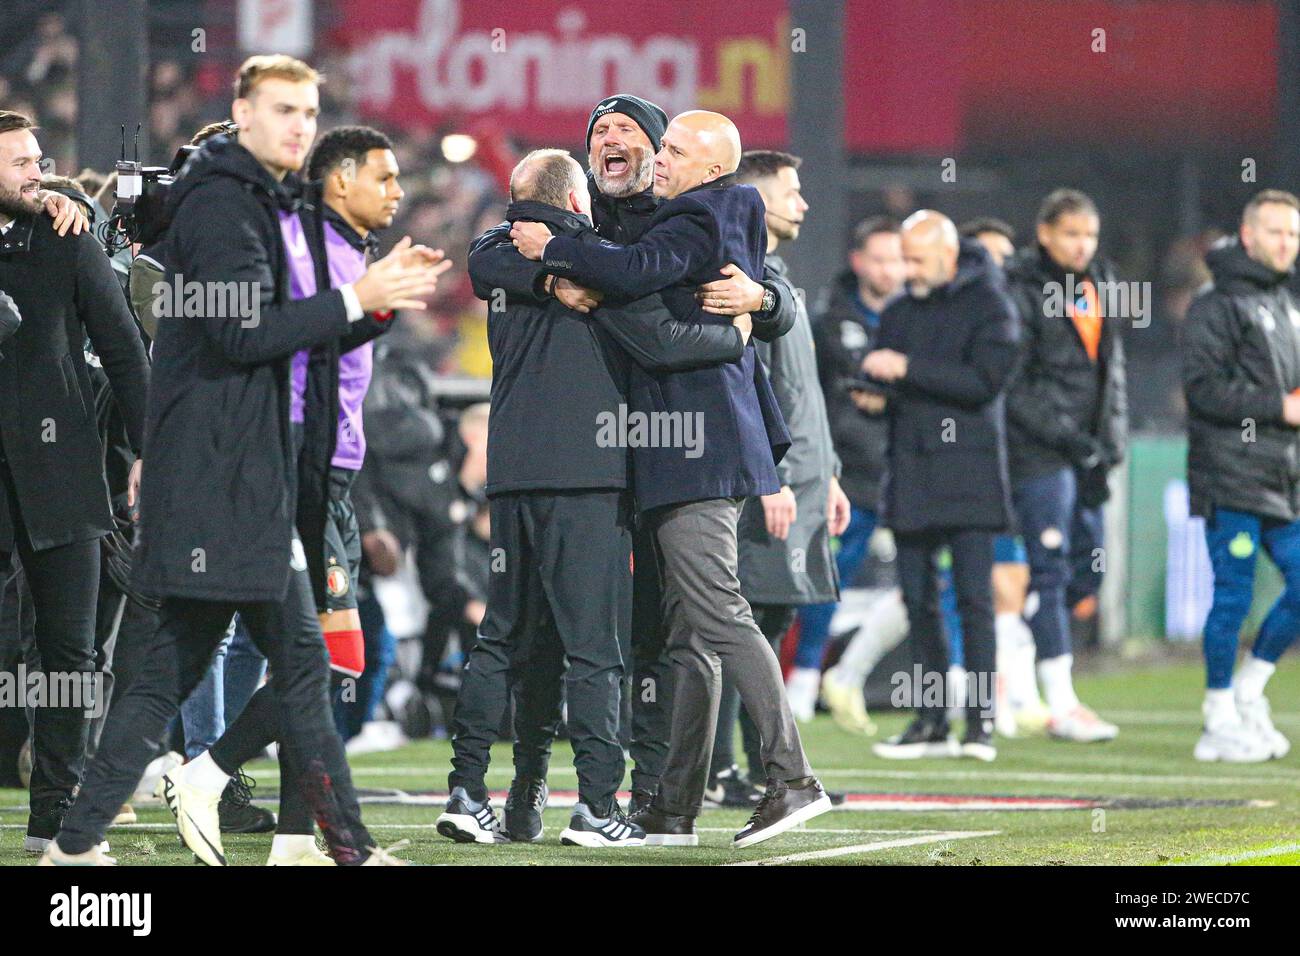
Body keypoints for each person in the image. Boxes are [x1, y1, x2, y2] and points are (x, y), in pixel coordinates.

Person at [44, 54, 440, 867]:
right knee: (289, 667)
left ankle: (78, 843)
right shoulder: (226, 201)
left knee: (203, 673)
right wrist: (355, 302)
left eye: (308, 110)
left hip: (236, 467)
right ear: (243, 113)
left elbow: (284, 333)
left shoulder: (257, 197)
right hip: (226, 472)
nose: (300, 124)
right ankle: (338, 848)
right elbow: (242, 334)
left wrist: (369, 309)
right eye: (283, 109)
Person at [511, 110, 831, 849]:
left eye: (677, 149)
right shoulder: (704, 210)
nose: (661, 158)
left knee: (717, 613)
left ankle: (790, 777)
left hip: (697, 445)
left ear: (714, 166)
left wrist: (560, 247)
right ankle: (673, 809)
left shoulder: (702, 208)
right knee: (690, 636)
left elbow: (636, 273)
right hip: (687, 445)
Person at [442, 148, 749, 847]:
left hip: (512, 474)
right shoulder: (600, 260)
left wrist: (543, 273)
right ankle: (595, 808)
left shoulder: (503, 251)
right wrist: (732, 335)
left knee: (500, 639)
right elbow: (664, 343)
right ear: (578, 203)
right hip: (588, 474)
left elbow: (484, 257)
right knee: (596, 651)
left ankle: (466, 791)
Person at [158, 124, 440, 865]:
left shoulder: (348, 253)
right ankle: (209, 773)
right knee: (328, 659)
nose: (396, 192)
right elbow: (278, 340)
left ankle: (292, 840)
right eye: (382, 177)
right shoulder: (305, 247)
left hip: (328, 474)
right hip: (292, 470)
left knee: (306, 661)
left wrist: (378, 302)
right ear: (338, 181)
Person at [0, 110, 151, 855]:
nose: (37, 172)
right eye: (20, 162)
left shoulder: (67, 236)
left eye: (38, 159)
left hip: (62, 479)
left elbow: (125, 351)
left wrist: (150, 452)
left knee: (70, 655)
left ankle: (55, 820)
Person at [708, 149, 850, 803]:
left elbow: (801, 393)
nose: (804, 203)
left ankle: (751, 769)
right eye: (792, 192)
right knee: (744, 627)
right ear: (758, 202)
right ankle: (724, 772)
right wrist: (776, 478)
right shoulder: (741, 283)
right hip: (768, 487)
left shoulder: (777, 279)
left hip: (801, 481)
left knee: (766, 623)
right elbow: (747, 391)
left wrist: (832, 474)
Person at [865, 211, 1018, 763]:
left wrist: (905, 368)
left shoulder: (991, 305)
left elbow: (983, 384)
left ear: (949, 255)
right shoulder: (900, 310)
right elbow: (890, 385)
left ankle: (980, 725)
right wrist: (872, 393)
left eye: (917, 259)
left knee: (975, 603)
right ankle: (931, 721)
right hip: (910, 473)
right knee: (918, 602)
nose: (908, 269)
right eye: (903, 258)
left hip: (970, 477)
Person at [1002, 189, 1126, 742]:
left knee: (1085, 572)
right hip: (1040, 453)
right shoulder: (1020, 289)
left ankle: (1021, 663)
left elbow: (1109, 372)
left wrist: (1108, 440)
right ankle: (1060, 701)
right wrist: (1065, 435)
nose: (1082, 245)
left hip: (1088, 455)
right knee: (1047, 570)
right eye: (1072, 233)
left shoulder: (1101, 285)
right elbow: (1017, 381)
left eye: (1090, 235)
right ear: (1045, 232)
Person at [1183, 189, 1300, 762]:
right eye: (1277, 232)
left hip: (1282, 477)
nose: (1288, 244)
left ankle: (1250, 691)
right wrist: (1279, 407)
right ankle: (1216, 719)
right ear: (1248, 235)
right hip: (1230, 475)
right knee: (1233, 598)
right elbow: (1202, 391)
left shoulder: (1285, 303)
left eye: (1295, 234)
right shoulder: (1215, 303)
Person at [805, 218, 904, 732]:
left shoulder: (919, 319)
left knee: (926, 586)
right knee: (826, 582)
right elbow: (815, 394)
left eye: (898, 259)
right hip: (850, 475)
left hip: (910, 473)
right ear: (860, 261)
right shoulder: (828, 321)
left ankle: (850, 675)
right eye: (882, 258)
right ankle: (802, 681)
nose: (892, 269)